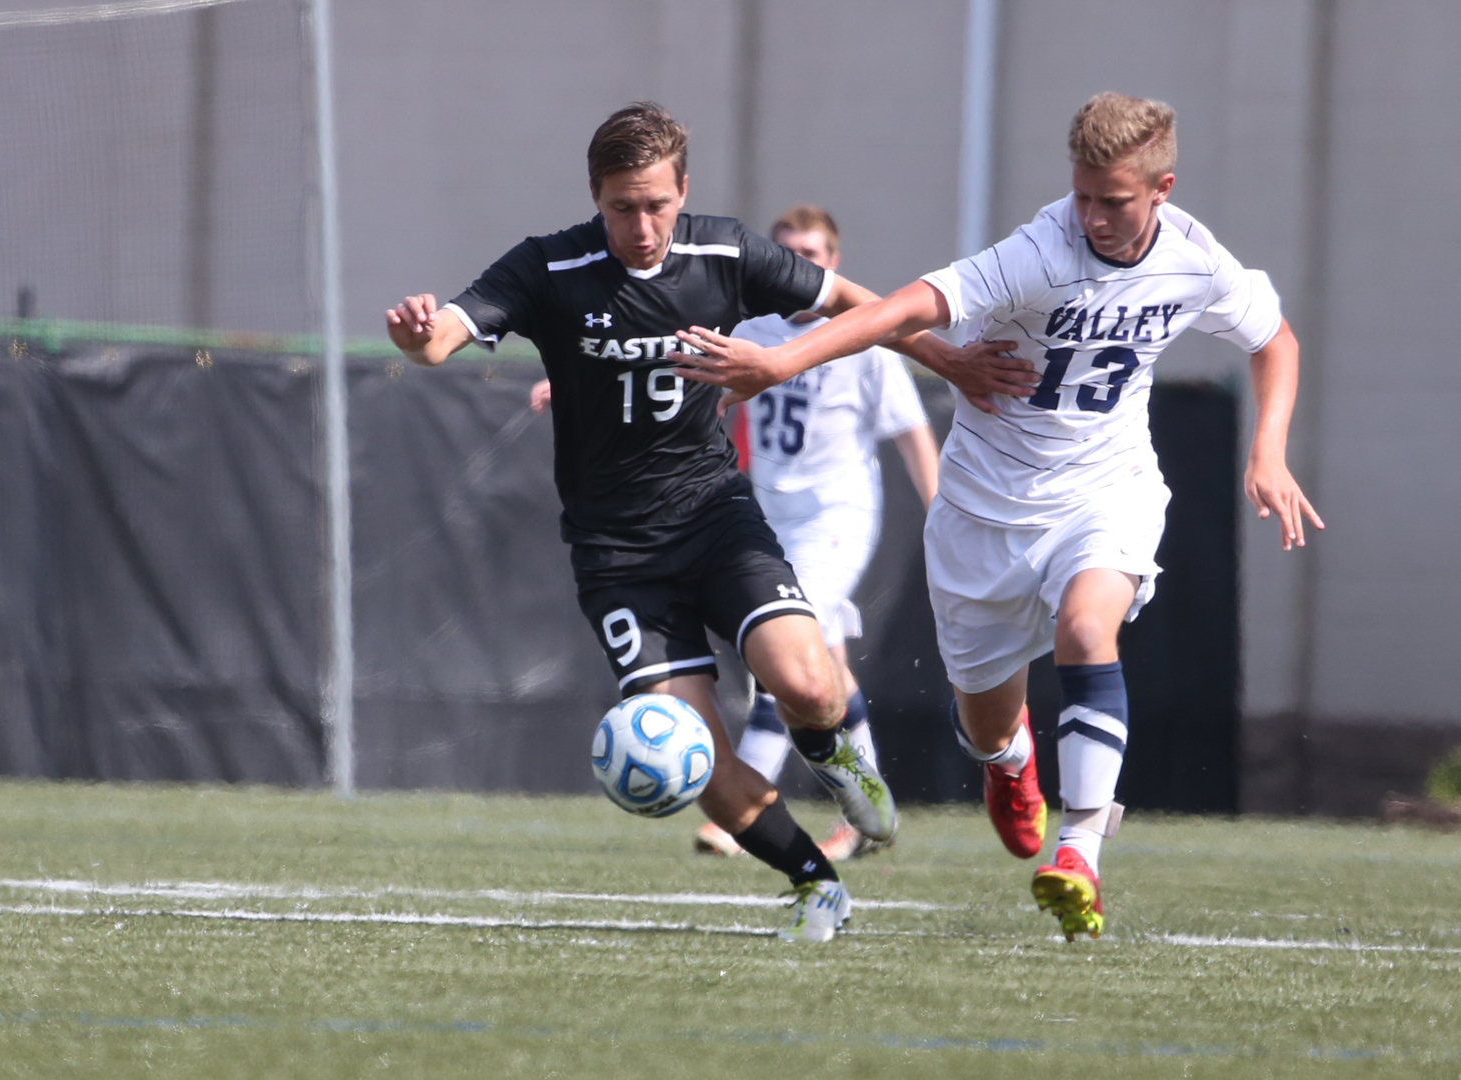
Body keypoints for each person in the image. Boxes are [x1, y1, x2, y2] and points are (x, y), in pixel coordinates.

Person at [671, 92, 1323, 941]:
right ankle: (1008, 757)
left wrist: (1268, 451)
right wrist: (780, 361)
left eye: (1114, 201)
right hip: (985, 508)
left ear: (1162, 189)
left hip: (1107, 490)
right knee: (984, 721)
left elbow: (1276, 341)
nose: (1091, 217)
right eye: (1081, 195)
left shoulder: (1197, 261)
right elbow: (898, 309)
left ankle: (1079, 851)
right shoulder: (1040, 252)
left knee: (1087, 630)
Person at [385, 103, 1002, 942]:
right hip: (617, 557)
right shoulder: (548, 266)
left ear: (684, 190)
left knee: (809, 684)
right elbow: (439, 341)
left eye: (656, 206)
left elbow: (851, 301)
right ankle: (815, 882)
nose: (641, 228)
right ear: (595, 198)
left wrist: (950, 361)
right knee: (695, 750)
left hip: (715, 518)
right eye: (621, 208)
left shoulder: (726, 253)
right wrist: (416, 334)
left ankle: (843, 766)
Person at [690, 205, 940, 862]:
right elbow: (682, 377)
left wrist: (944, 515)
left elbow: (912, 432)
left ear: (834, 264)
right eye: (787, 254)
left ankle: (742, 807)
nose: (799, 266)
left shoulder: (863, 336)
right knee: (824, 665)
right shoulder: (751, 328)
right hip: (767, 517)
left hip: (836, 518)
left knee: (784, 654)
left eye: (812, 255)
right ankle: (868, 811)